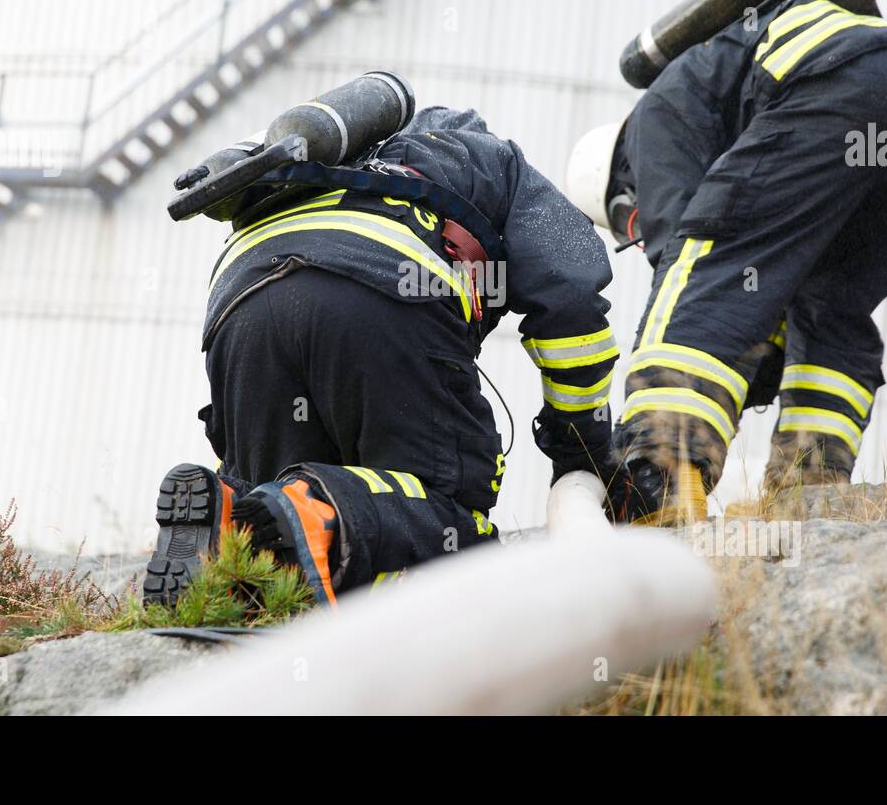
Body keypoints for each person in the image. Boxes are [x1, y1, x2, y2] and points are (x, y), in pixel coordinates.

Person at [145, 104, 618, 607]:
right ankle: (315, 512)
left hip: (239, 304)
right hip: (385, 285)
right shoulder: (489, 159)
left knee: (274, 518)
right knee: (448, 515)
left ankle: (230, 515)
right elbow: (571, 302)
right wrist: (579, 449)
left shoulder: (314, 157)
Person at [568, 0, 887, 523]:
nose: (638, 236)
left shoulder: (654, 117)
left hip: (843, 82)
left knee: (705, 270)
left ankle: (659, 480)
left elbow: (693, 258)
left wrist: (733, 342)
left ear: (623, 192)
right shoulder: (722, 104)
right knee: (832, 305)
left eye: (629, 225)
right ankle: (811, 493)